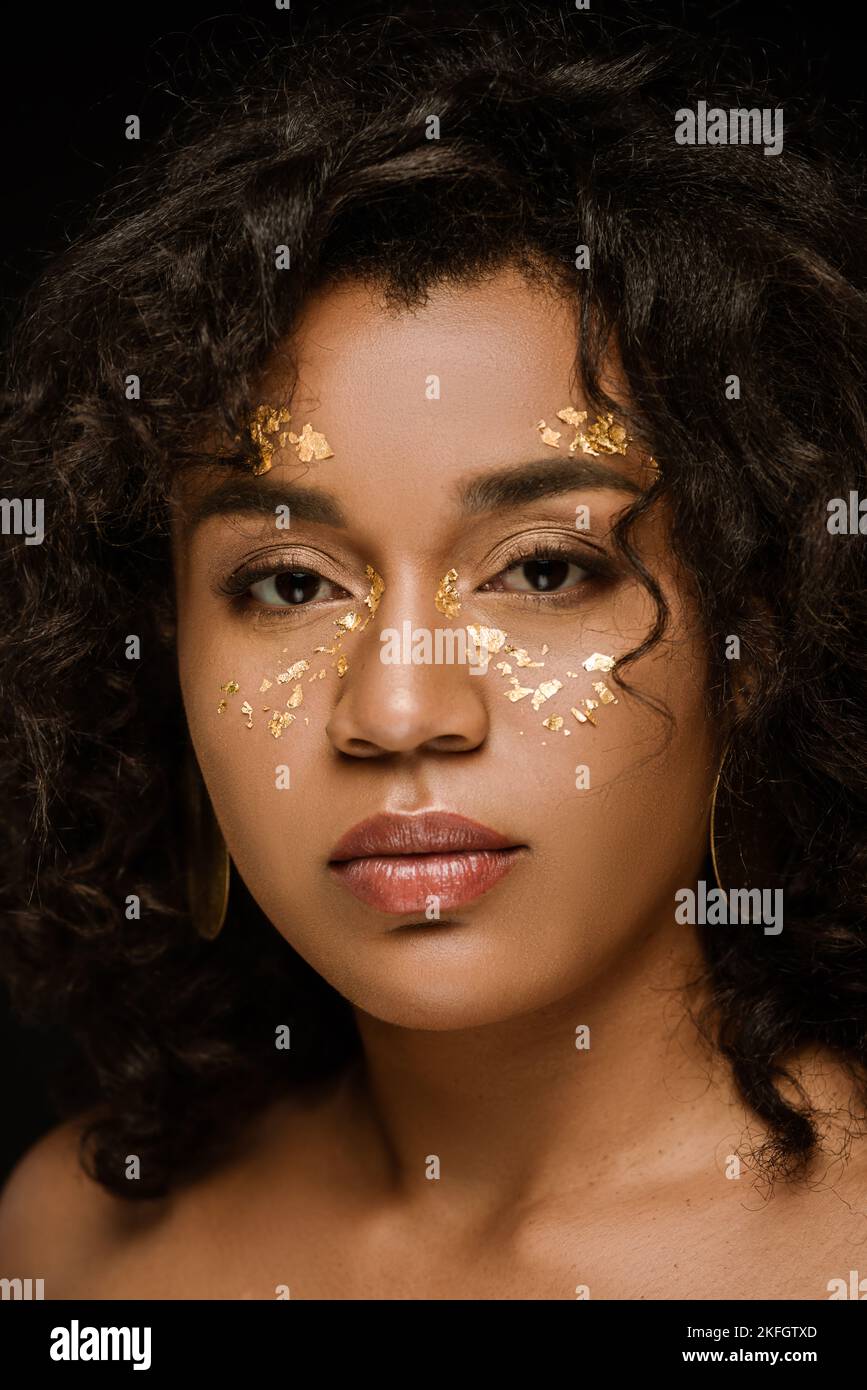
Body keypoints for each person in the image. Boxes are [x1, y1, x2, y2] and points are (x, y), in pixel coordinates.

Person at [1, 6, 866, 1299]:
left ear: (755, 633)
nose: (398, 707)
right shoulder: (74, 1243)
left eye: (545, 568)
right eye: (289, 582)